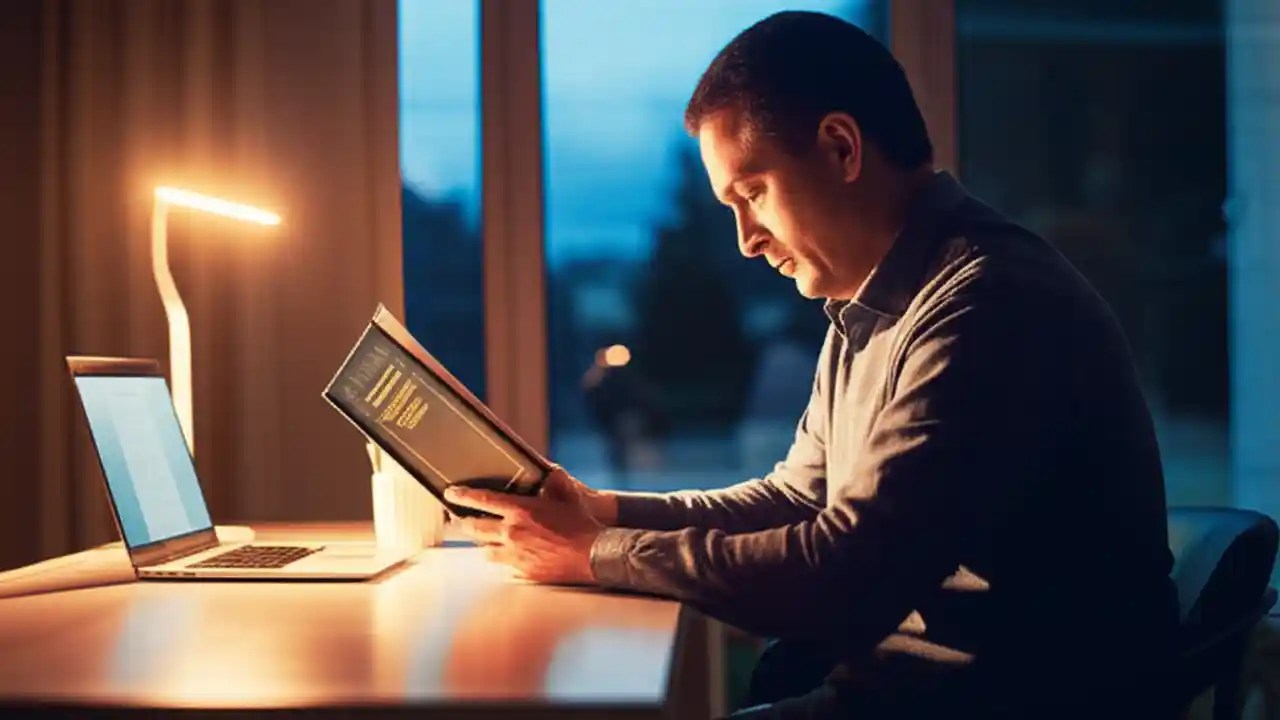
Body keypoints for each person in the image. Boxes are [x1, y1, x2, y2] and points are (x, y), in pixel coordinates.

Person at [445, 10, 1178, 719]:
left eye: (753, 193)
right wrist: (603, 511)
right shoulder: (873, 306)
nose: (745, 240)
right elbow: (798, 500)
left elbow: (848, 571)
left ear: (840, 149)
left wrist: (599, 554)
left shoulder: (988, 305)